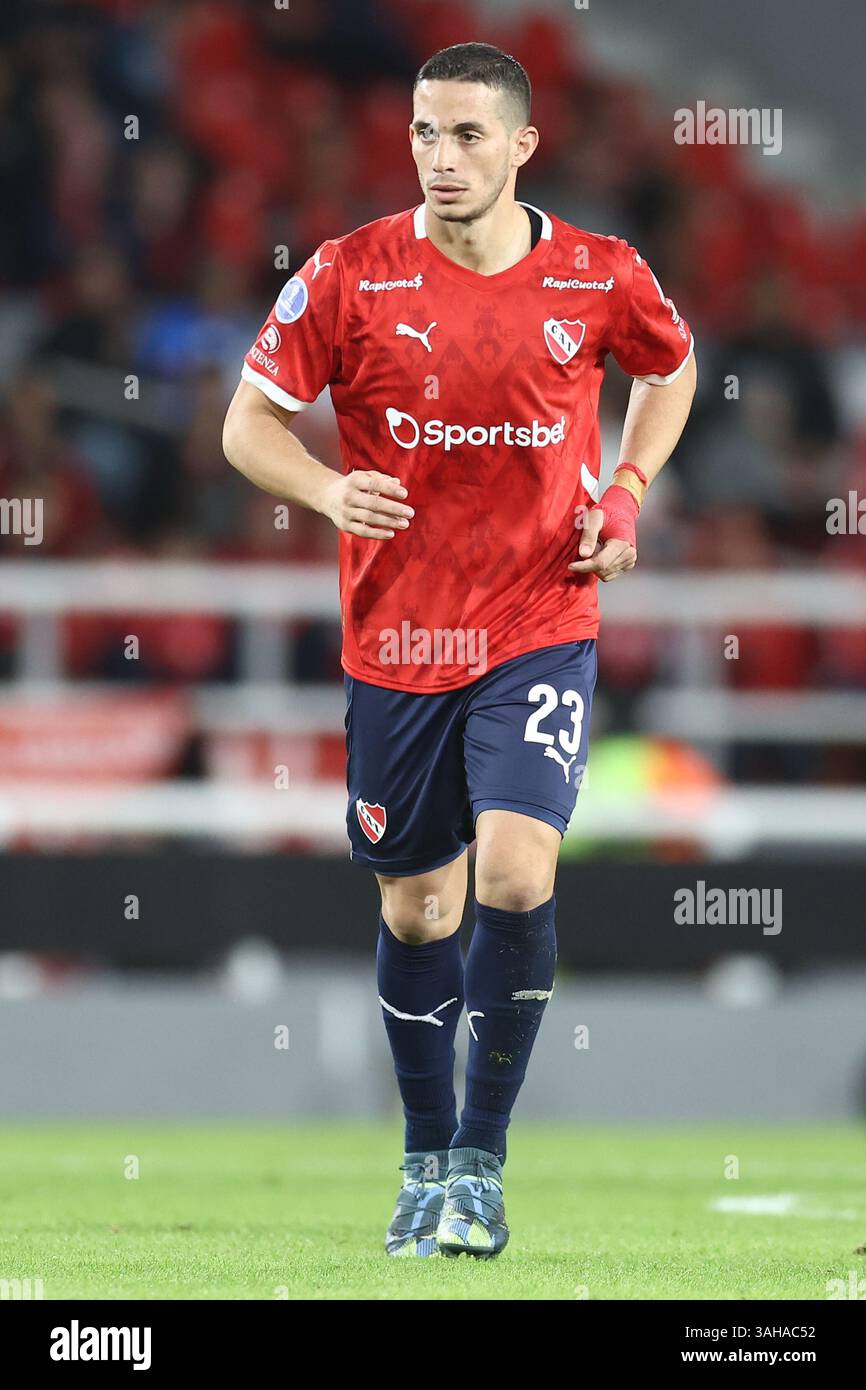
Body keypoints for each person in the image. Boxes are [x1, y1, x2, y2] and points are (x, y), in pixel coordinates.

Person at [223, 41, 696, 1259]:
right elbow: (247, 424)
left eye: (468, 136)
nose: (442, 158)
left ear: (522, 145)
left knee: (517, 872)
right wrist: (328, 493)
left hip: (538, 623)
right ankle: (423, 1155)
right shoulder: (348, 275)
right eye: (426, 134)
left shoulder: (597, 275)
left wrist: (626, 488)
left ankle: (481, 1163)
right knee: (420, 905)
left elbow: (672, 362)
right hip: (395, 641)